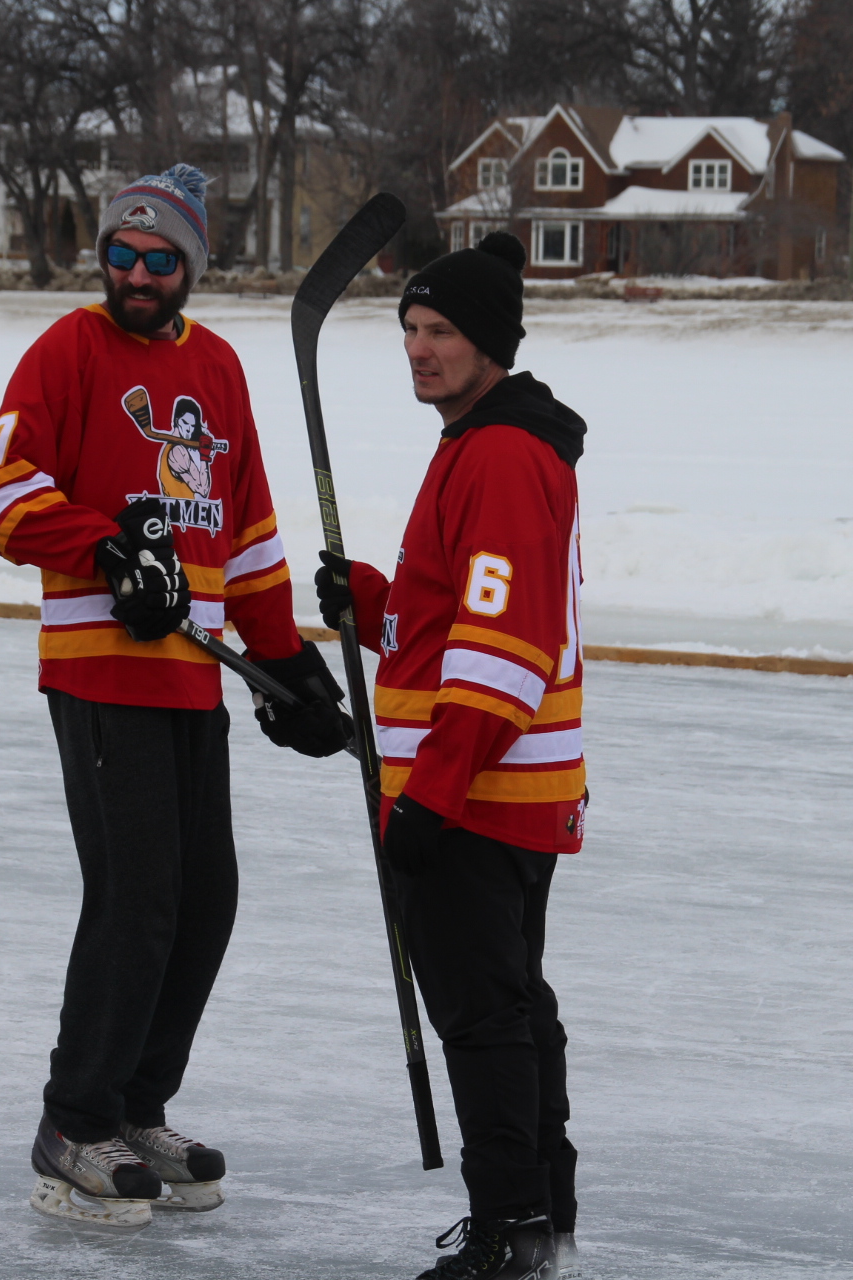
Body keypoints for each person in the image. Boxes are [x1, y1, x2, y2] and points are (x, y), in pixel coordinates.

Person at [0, 162, 349, 1232]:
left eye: (159, 258)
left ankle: (136, 1105)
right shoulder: (67, 351)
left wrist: (293, 671)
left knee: (205, 898)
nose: (136, 273)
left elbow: (252, 536)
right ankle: (71, 1118)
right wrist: (101, 544)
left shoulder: (219, 369)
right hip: (99, 674)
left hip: (194, 678)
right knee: (135, 897)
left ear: (191, 266)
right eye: (122, 254)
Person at [315, 232, 587, 1280]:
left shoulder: (505, 455)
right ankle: (538, 1216)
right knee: (512, 1001)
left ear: (492, 344)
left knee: (483, 1014)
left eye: (443, 333)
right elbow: (463, 623)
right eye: (412, 331)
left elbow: (504, 657)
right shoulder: (481, 443)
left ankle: (511, 1227)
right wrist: (380, 605)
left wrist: (424, 801)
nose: (420, 351)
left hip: (476, 791)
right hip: (497, 787)